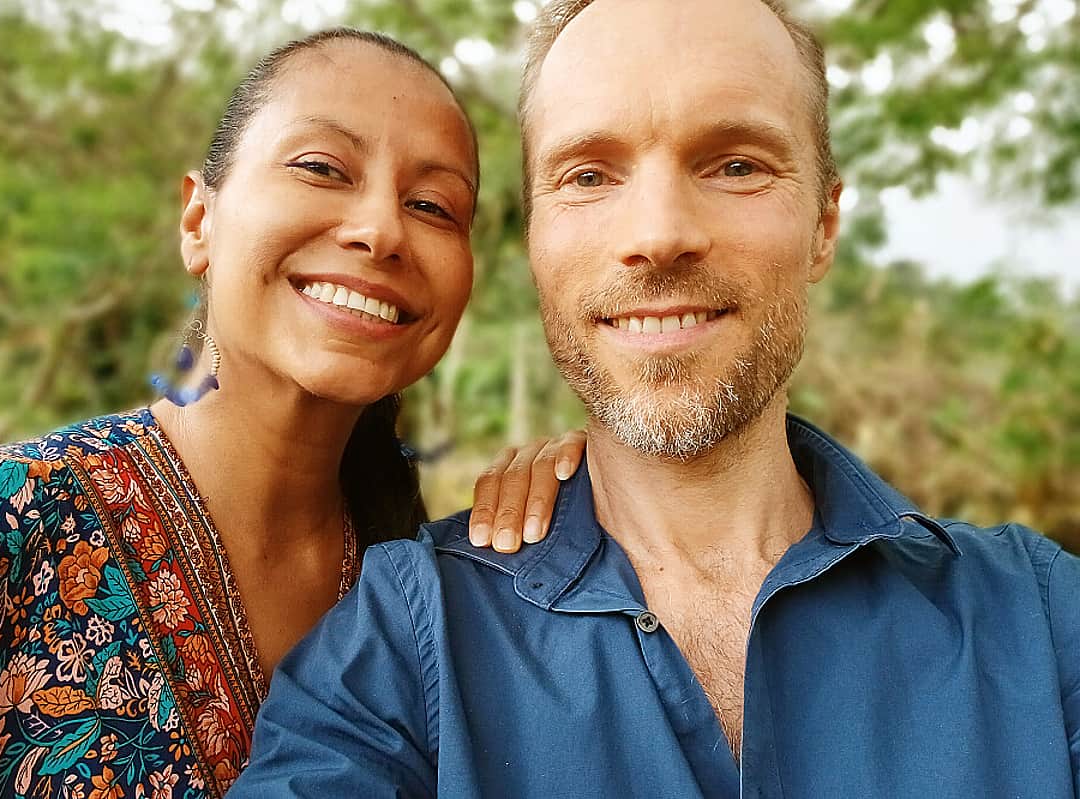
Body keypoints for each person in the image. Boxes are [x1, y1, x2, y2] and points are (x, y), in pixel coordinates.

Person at [230, 1, 1080, 796]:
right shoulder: (406, 645)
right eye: (591, 175)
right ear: (535, 237)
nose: (658, 234)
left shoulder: (1041, 617)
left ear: (823, 225)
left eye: (736, 164)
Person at [0, 28, 585, 798]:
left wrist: (599, 490)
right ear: (198, 222)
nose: (381, 229)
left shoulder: (443, 603)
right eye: (321, 167)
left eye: (432, 205)